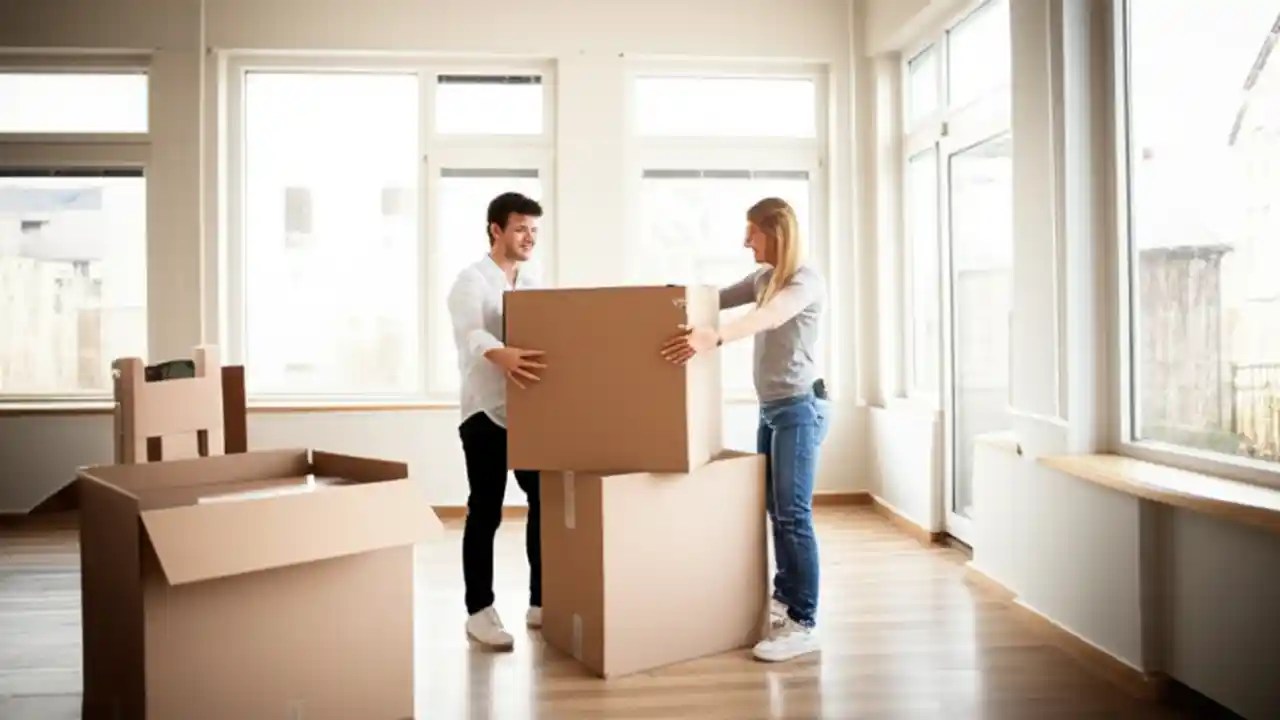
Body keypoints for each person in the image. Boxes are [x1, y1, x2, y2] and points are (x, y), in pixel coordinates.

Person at [660, 197, 829, 663]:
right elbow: (713, 300)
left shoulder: (803, 282)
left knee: (794, 514)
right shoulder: (762, 279)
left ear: (775, 233)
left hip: (799, 408)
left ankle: (804, 621)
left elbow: (766, 318)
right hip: (771, 409)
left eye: (751, 232)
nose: (744, 241)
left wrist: (714, 338)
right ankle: (784, 599)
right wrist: (666, 298)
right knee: (775, 509)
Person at [446, 191, 548, 651]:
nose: (529, 237)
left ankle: (542, 600)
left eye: (534, 230)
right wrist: (498, 353)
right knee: (484, 509)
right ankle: (479, 611)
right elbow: (472, 333)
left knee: (543, 501)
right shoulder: (471, 281)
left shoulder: (533, 285)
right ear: (496, 230)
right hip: (485, 412)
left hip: (528, 413)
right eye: (521, 228)